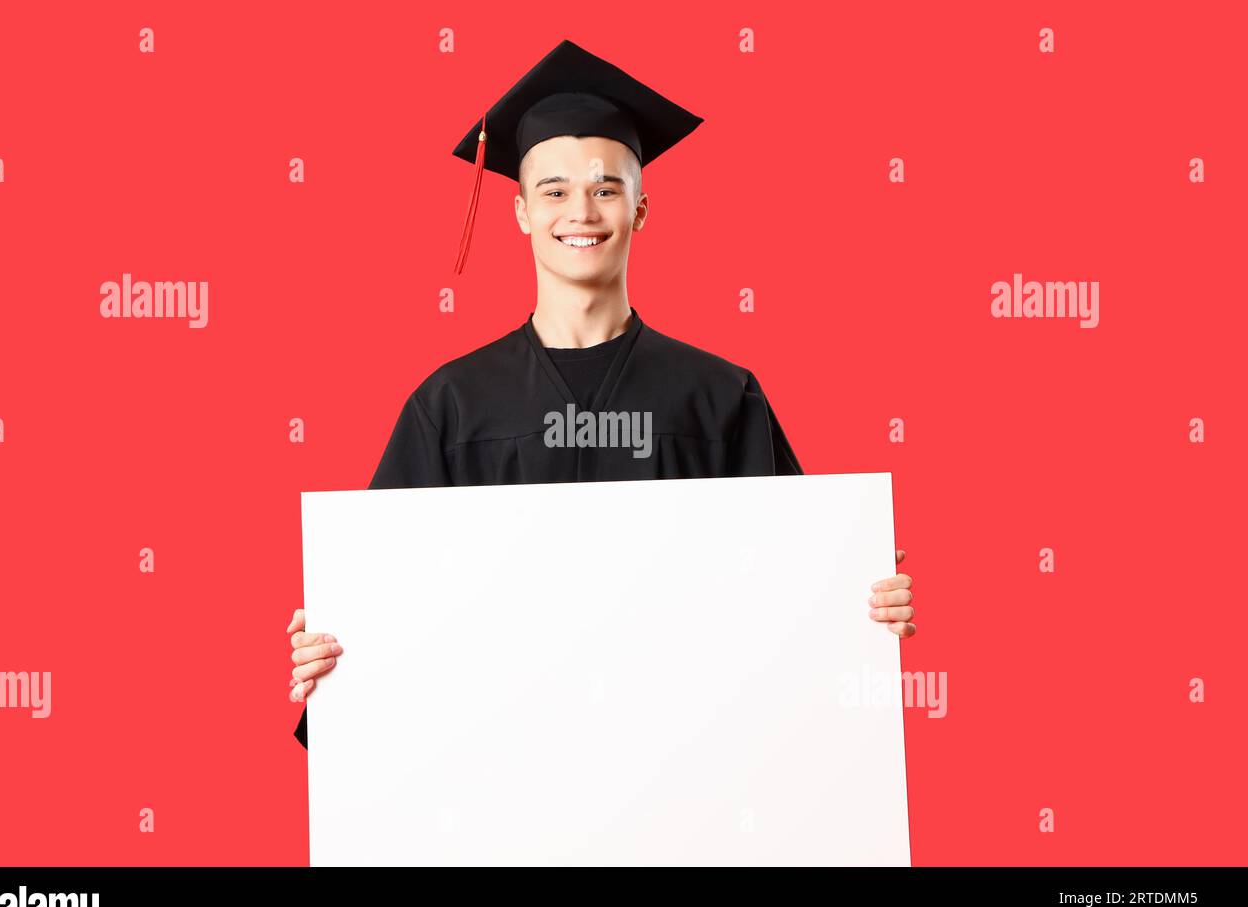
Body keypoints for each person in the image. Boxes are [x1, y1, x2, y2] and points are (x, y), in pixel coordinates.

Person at [287, 39, 916, 749]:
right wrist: (332, 657)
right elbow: (390, 606)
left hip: (685, 774)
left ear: (641, 209)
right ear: (521, 212)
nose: (579, 211)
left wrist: (858, 603)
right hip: (503, 776)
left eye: (605, 189)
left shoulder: (719, 396)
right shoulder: (451, 405)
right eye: (553, 191)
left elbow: (789, 602)